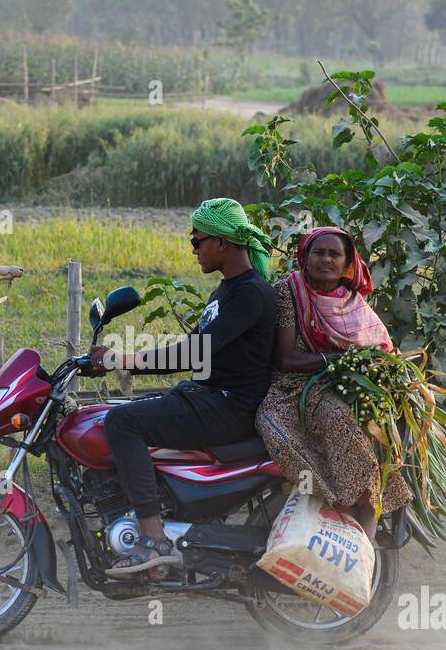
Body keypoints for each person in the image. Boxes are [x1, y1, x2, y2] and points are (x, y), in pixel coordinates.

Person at [88, 198, 277, 577]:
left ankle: (153, 540)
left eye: (197, 240)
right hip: (208, 396)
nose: (193, 249)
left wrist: (122, 360)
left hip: (229, 408)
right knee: (115, 412)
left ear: (222, 242)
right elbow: (199, 354)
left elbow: (196, 353)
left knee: (123, 423)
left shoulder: (250, 293)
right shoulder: (227, 291)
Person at [255, 226, 411, 541]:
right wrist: (336, 360)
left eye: (334, 254)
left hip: (333, 388)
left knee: (345, 418)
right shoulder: (289, 292)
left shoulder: (352, 302)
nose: (326, 259)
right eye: (319, 252)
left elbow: (379, 351)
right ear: (305, 257)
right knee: (279, 431)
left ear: (347, 262)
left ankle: (365, 511)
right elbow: (285, 359)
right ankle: (332, 500)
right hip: (290, 390)